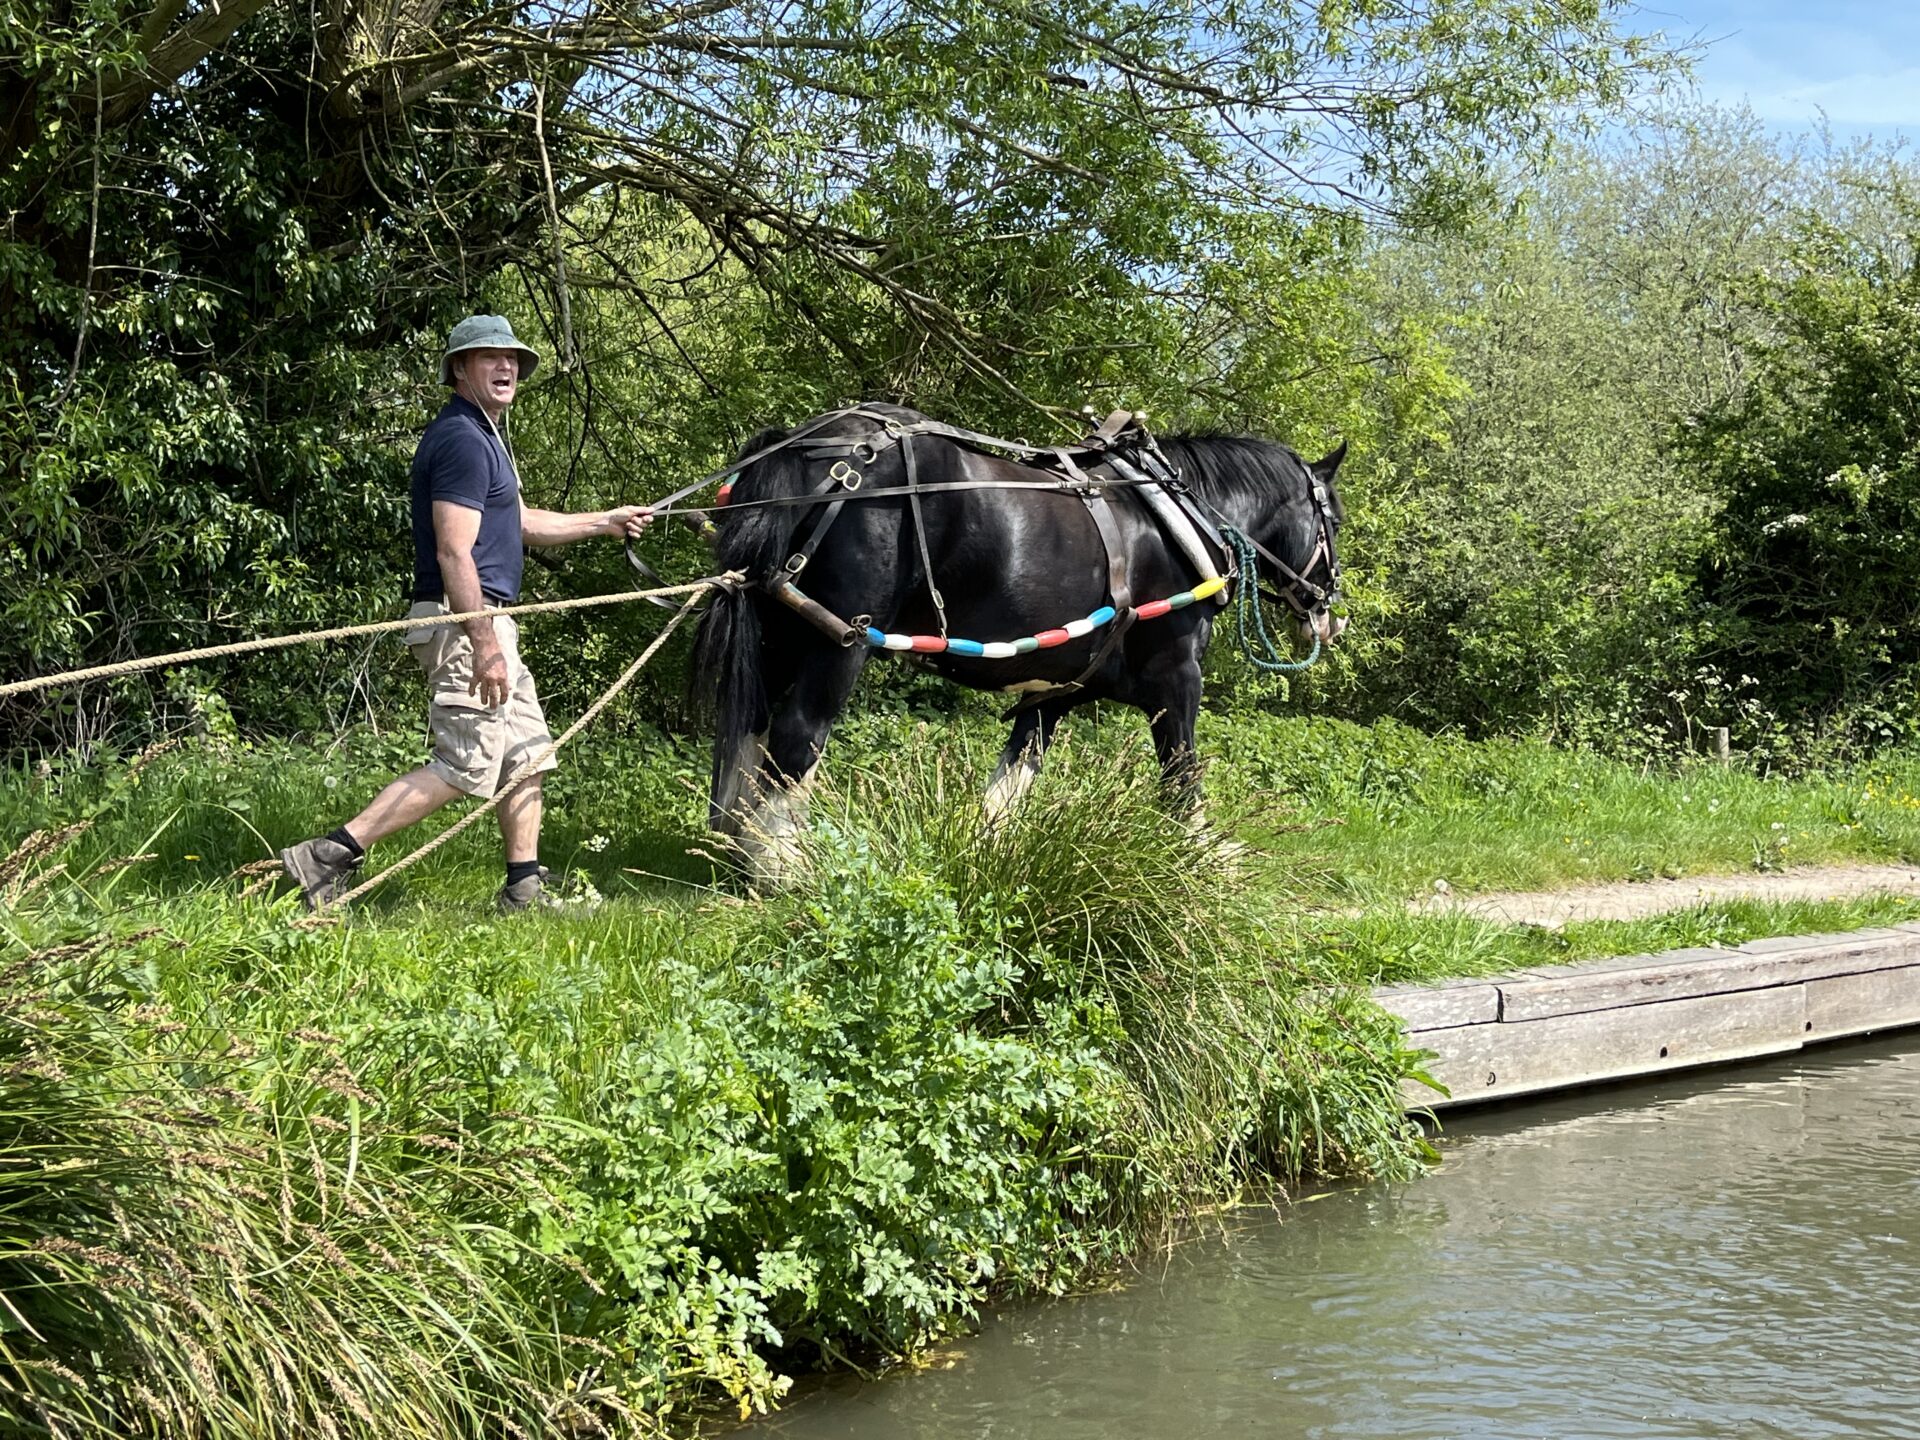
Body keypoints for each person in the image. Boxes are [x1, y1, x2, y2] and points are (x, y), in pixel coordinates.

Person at [280, 314, 652, 911]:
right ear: (460, 369)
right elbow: (454, 548)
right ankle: (327, 856)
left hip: (488, 620)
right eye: (490, 359)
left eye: (513, 360)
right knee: (463, 765)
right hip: (466, 623)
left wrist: (603, 522)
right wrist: (483, 644)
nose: (506, 368)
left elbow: (520, 523)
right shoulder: (461, 439)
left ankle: (523, 887)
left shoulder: (485, 437)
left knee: (526, 755)